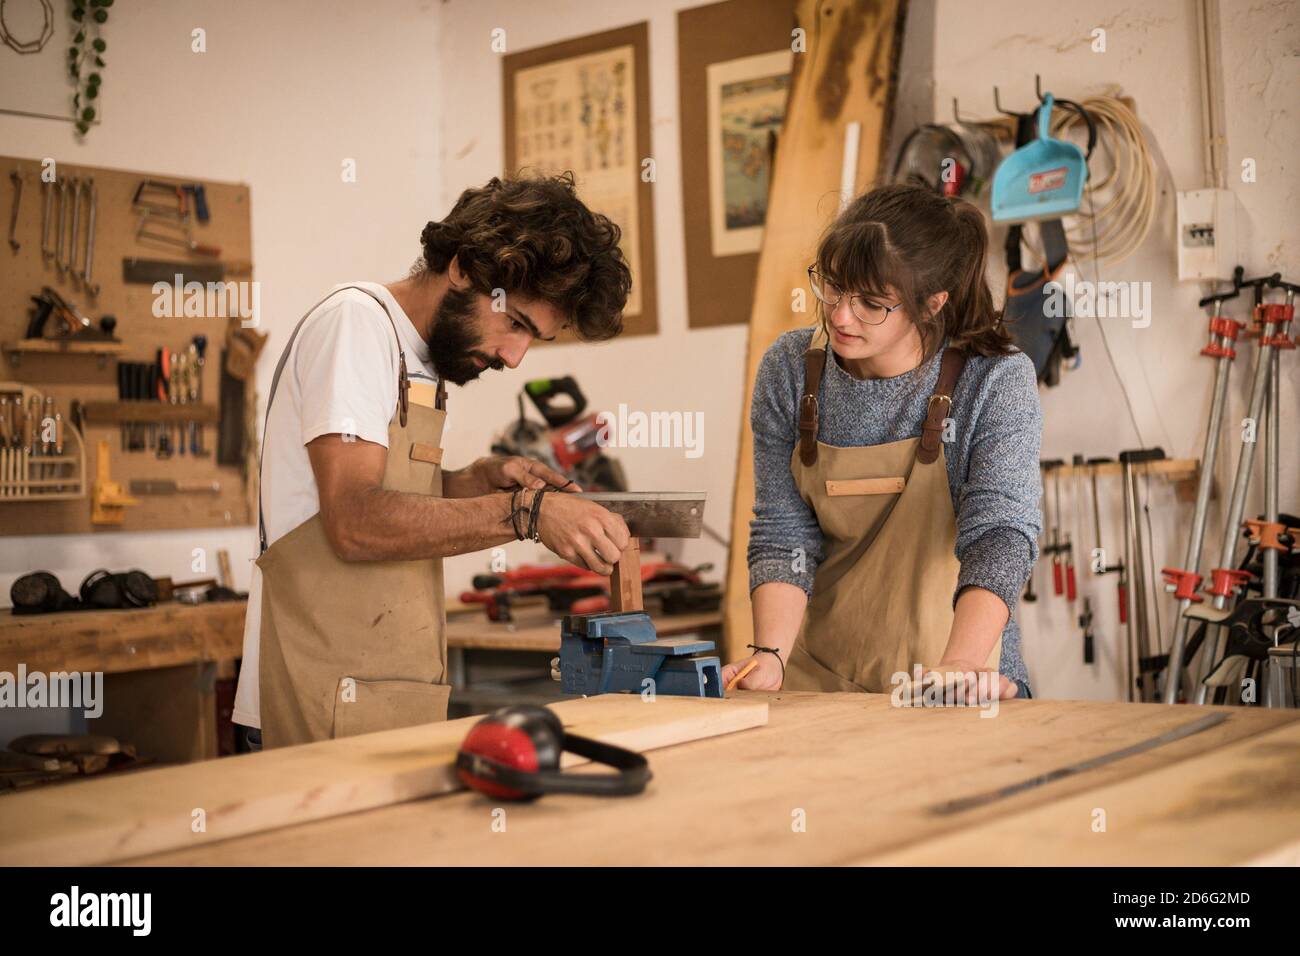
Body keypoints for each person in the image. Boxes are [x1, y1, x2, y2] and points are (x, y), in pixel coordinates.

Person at [234, 173, 634, 748]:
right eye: (515, 323)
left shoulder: (418, 354)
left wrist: (470, 483)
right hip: (312, 697)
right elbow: (354, 521)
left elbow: (385, 495)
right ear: (464, 268)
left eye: (534, 340)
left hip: (381, 695)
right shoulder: (357, 325)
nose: (515, 358)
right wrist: (525, 514)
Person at [722, 183, 1042, 701]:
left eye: (871, 303)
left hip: (958, 673)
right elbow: (784, 531)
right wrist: (770, 655)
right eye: (833, 287)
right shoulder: (791, 371)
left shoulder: (994, 380)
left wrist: (960, 664)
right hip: (821, 676)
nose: (840, 315)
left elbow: (1000, 534)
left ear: (933, 303)